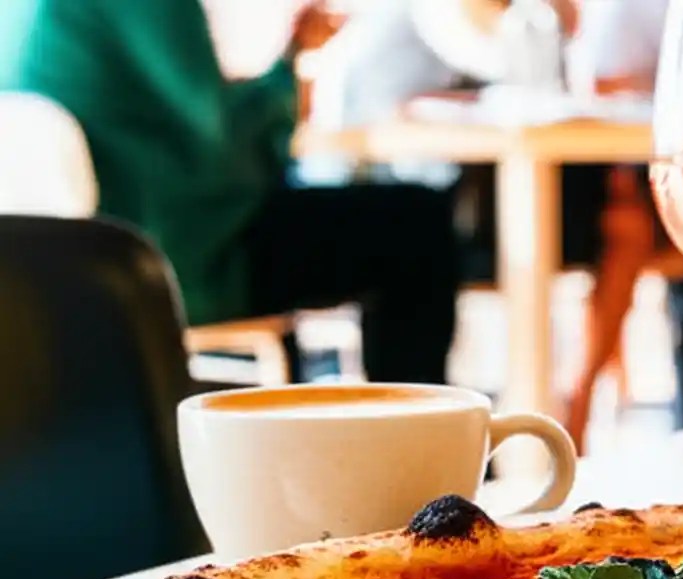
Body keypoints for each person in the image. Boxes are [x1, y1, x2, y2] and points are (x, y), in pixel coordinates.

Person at [0, 0, 459, 383]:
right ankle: (426, 468)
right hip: (175, 264)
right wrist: (289, 69)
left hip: (69, 274)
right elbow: (227, 143)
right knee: (416, 226)